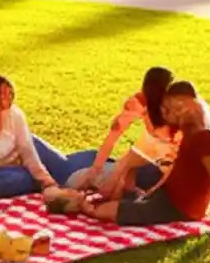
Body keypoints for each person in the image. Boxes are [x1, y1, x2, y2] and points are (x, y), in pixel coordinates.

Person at [81, 82, 210, 229]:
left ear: (195, 101)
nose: (176, 114)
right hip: (168, 194)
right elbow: (176, 166)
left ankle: (92, 207)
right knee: (121, 198)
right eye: (172, 110)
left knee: (105, 210)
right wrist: (155, 190)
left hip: (181, 207)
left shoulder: (206, 137)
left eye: (180, 107)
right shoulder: (189, 124)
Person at [0, 75, 98, 197]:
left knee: (63, 168)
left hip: (27, 150)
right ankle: (43, 180)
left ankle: (97, 157)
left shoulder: (14, 115)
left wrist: (47, 181)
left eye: (10, 95)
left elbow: (28, 152)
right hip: (3, 171)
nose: (7, 101)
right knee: (1, 182)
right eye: (2, 95)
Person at [71, 66, 176, 198]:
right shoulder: (140, 102)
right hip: (153, 152)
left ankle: (113, 199)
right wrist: (96, 168)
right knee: (119, 171)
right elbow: (115, 134)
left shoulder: (174, 107)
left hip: (168, 159)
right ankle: (122, 195)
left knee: (118, 170)